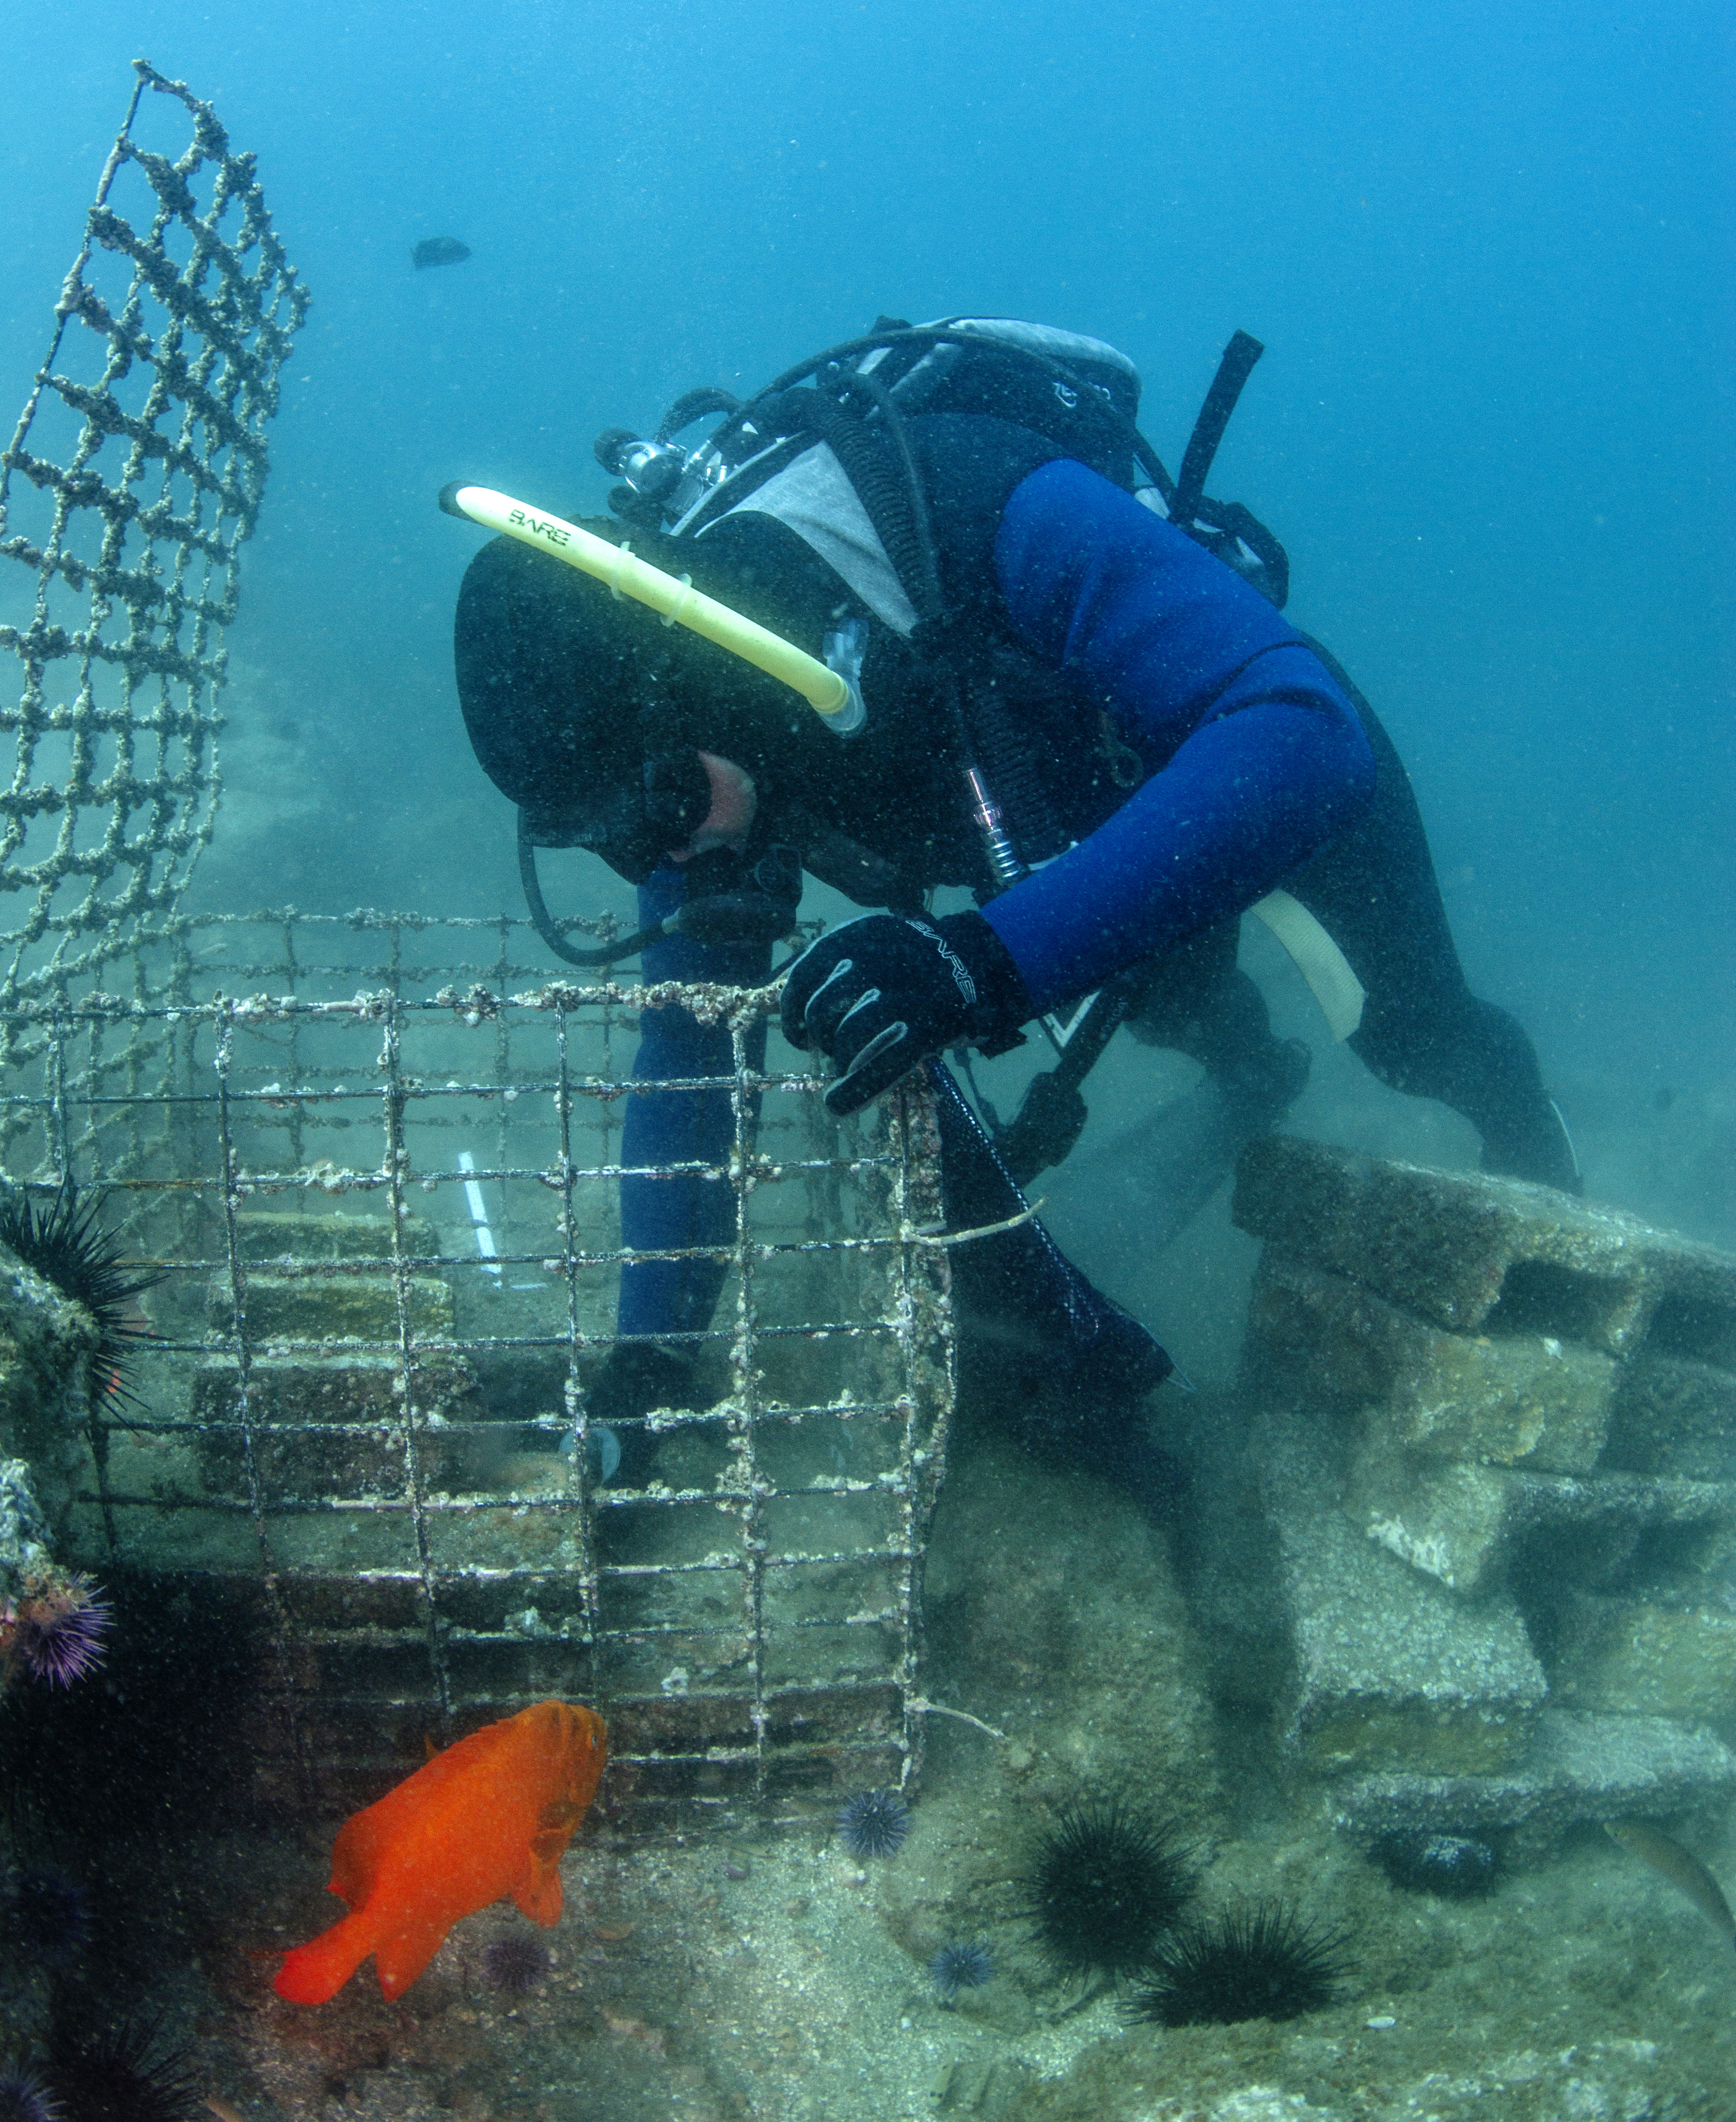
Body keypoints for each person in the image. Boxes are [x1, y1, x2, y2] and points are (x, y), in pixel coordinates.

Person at [450, 317, 1578, 1504]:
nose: (665, 852)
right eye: (612, 839)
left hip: (1221, 763)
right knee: (1156, 1003)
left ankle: (1535, 1156)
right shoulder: (688, 759)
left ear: (691, 676)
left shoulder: (954, 500)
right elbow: (689, 1048)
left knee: (1413, 1035)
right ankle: (1240, 1080)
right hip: (1052, 864)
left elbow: (1302, 734)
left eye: (664, 803)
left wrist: (986, 959)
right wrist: (649, 1364)